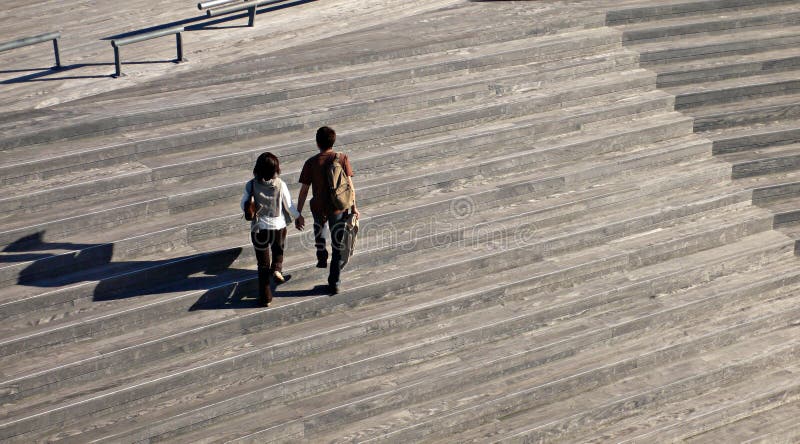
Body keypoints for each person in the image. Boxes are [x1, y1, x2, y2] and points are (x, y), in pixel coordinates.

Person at [296, 126, 360, 295]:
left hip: (318, 206)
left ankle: (321, 252)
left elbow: (304, 190)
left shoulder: (311, 162)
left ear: (317, 143)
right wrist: (354, 207)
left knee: (319, 229)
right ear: (334, 141)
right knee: (338, 246)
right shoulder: (342, 158)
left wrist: (298, 213)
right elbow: (350, 187)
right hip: (338, 208)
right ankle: (335, 282)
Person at [241, 152, 301, 307]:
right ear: (276, 169)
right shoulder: (280, 184)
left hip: (259, 228)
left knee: (262, 265)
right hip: (278, 226)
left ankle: (265, 297)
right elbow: (289, 206)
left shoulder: (251, 185)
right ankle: (277, 268)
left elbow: (244, 205)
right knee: (278, 250)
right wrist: (298, 217)